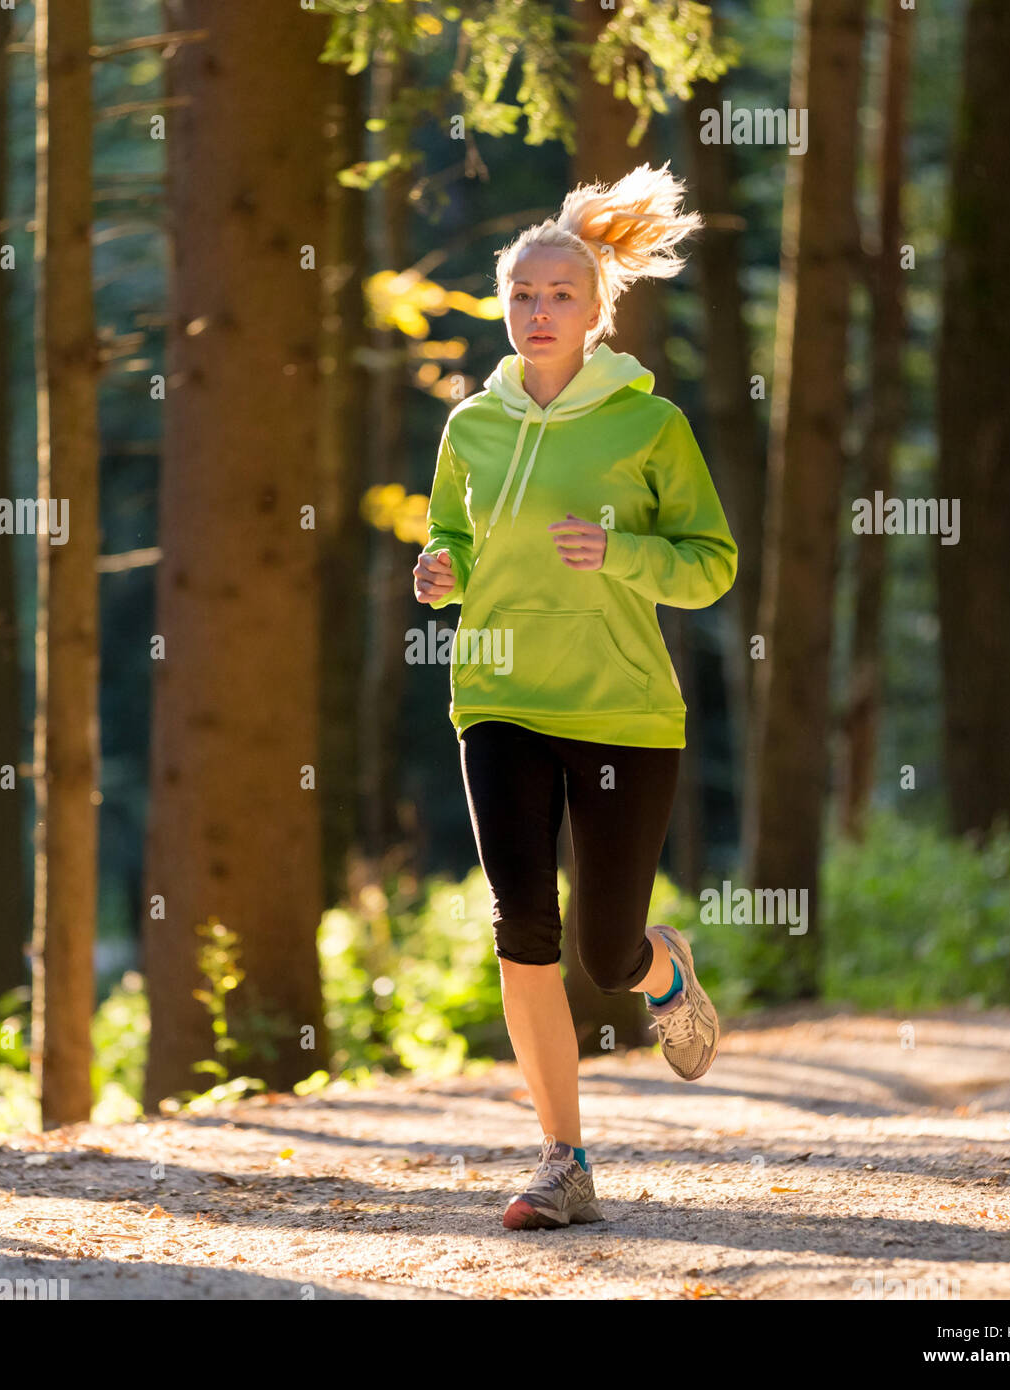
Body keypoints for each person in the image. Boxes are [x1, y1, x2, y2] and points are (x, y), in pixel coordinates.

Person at [413, 160, 738, 1231]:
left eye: (560, 294)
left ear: (598, 311)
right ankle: (563, 1158)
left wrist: (623, 553)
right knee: (522, 925)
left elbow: (711, 564)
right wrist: (438, 571)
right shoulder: (471, 429)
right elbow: (451, 540)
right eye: (521, 295)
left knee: (605, 948)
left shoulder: (648, 427)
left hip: (623, 711)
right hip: (497, 698)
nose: (538, 311)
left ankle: (660, 972)